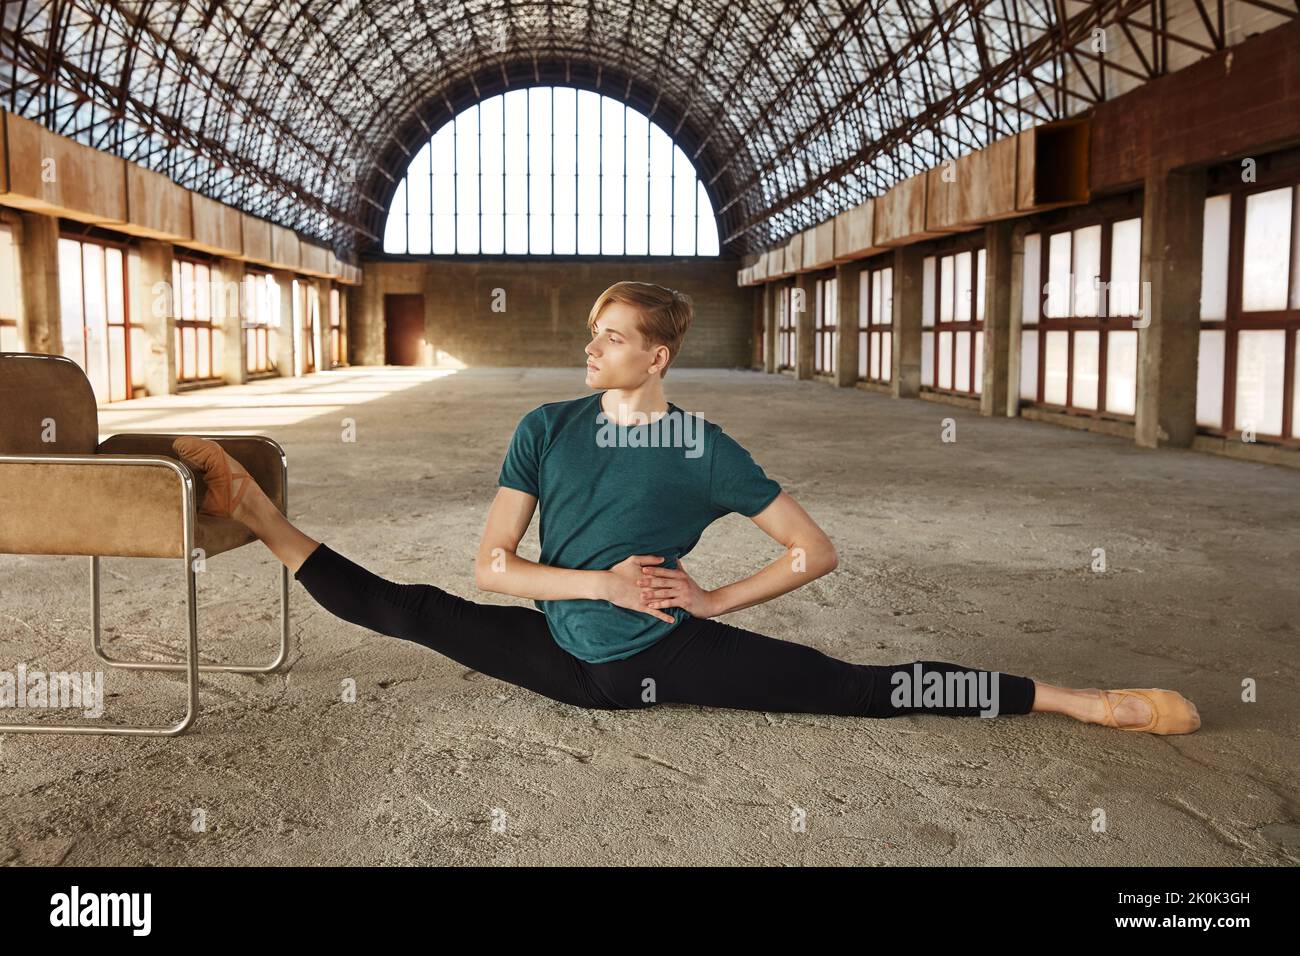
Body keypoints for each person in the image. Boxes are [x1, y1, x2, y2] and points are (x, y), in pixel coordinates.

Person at [172, 281, 1201, 734]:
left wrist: (713, 602)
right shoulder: (545, 423)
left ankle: (1073, 699)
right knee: (415, 607)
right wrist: (597, 581)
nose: (591, 347)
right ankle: (260, 511)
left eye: (611, 336)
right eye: (590, 331)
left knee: (853, 689)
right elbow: (492, 565)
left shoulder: (706, 450)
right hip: (563, 654)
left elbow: (813, 550)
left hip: (653, 658)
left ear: (655, 356)